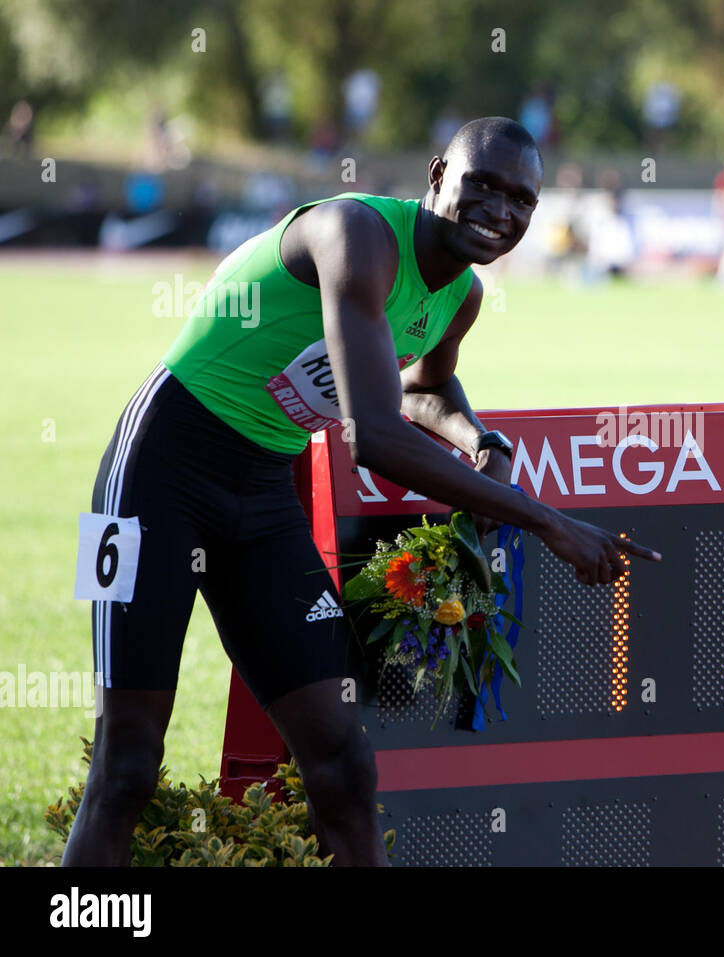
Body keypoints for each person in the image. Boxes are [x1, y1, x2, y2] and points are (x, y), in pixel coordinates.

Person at [63, 116, 660, 867]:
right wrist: (545, 520)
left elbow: (424, 387)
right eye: (483, 184)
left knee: (343, 760)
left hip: (260, 491)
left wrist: (479, 441)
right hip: (158, 472)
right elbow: (371, 432)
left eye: (521, 200)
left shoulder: (461, 297)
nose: (500, 210)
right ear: (439, 175)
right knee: (126, 767)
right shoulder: (358, 234)